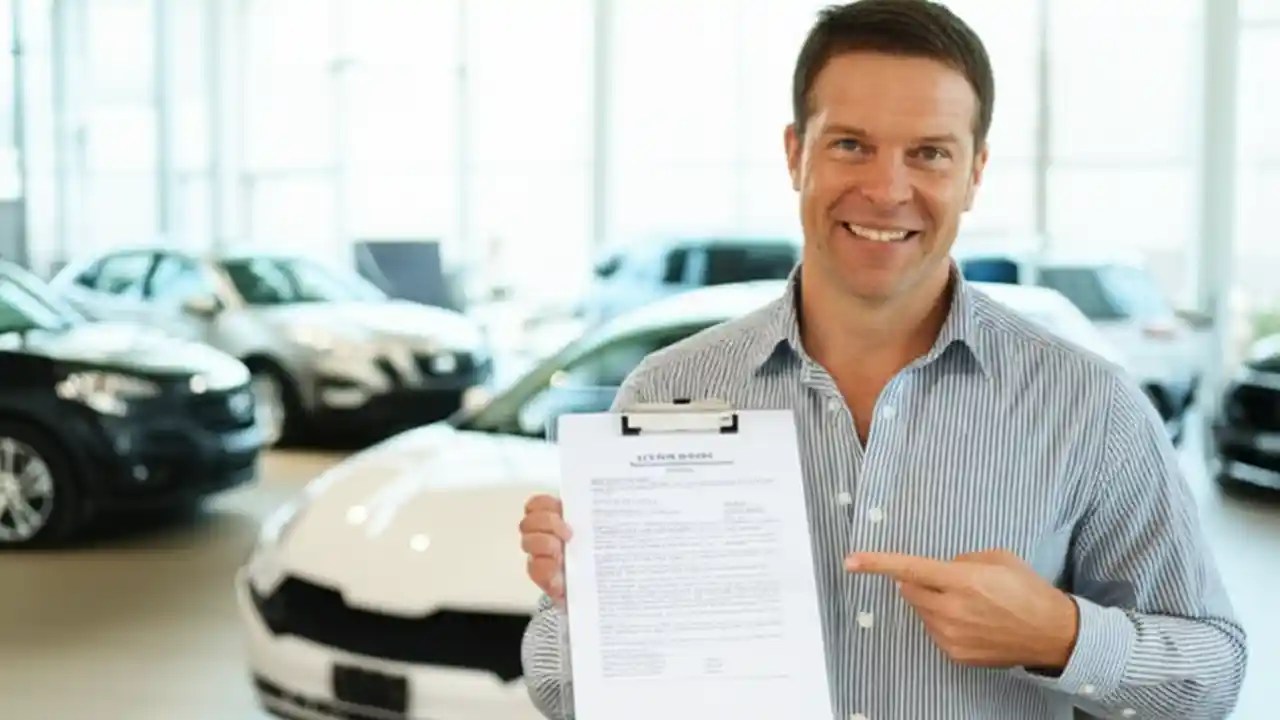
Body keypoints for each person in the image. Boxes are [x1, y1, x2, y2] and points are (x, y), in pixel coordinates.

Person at [517, 1, 1248, 718]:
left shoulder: (1089, 406)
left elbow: (1213, 676)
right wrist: (590, 610)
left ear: (974, 172)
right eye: (850, 145)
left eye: (928, 153)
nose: (887, 189)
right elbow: (563, 692)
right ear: (795, 153)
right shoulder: (669, 389)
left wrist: (1059, 634)